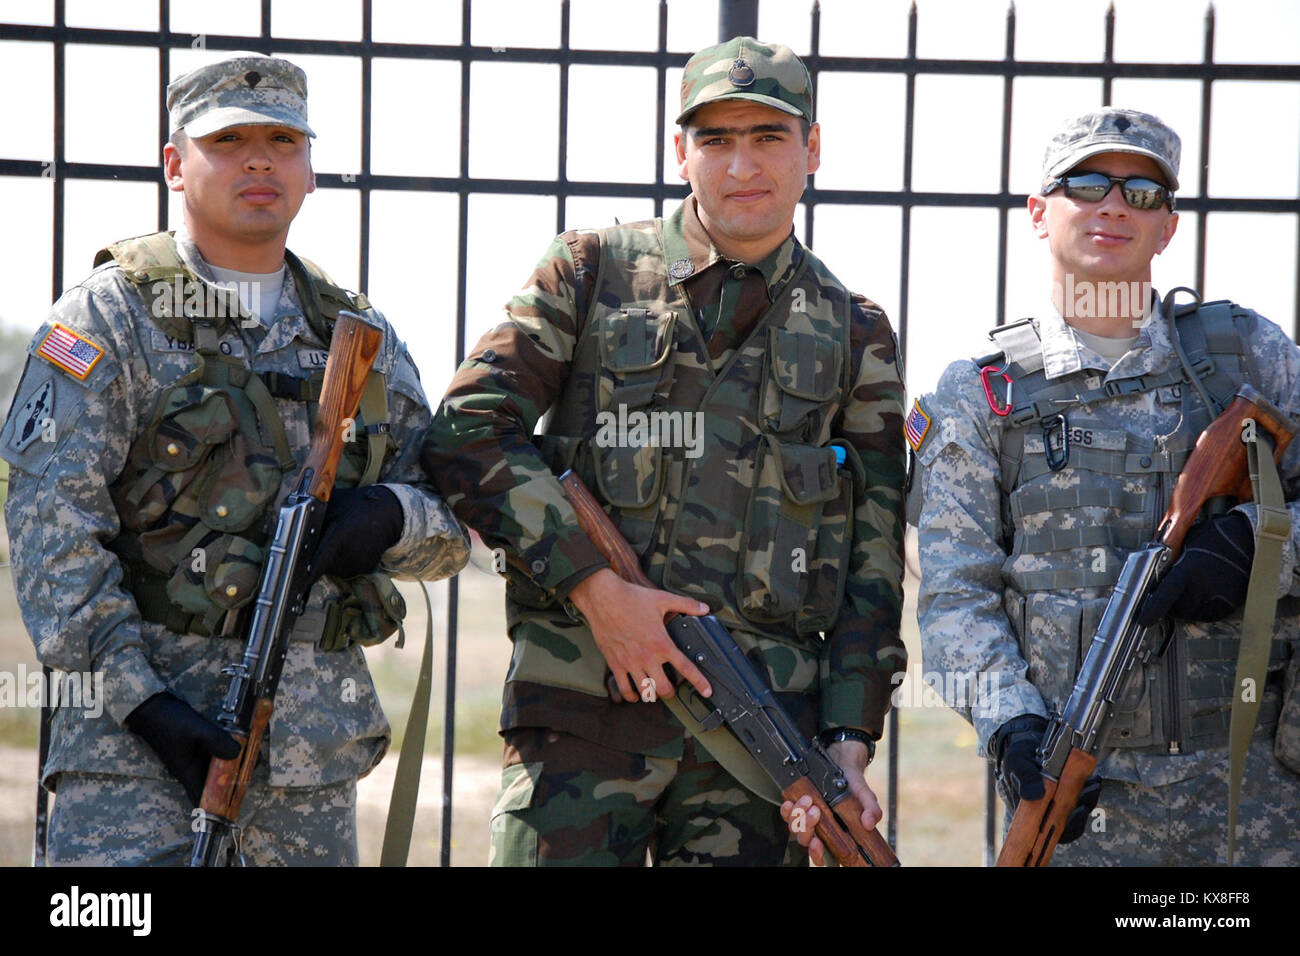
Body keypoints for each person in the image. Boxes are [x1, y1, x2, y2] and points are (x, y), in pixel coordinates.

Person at [422, 36, 906, 866]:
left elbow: (874, 552)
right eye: (715, 139)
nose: (741, 165)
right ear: (678, 149)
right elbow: (469, 429)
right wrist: (598, 590)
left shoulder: (855, 330)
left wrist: (850, 737)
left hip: (761, 747)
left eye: (769, 136)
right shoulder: (589, 271)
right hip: (582, 713)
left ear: (812, 149)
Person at [1, 52, 469, 866]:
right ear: (178, 166)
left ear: (311, 170)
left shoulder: (360, 337)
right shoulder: (108, 321)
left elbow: (454, 520)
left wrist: (393, 519)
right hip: (133, 765)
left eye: (283, 140)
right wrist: (144, 705)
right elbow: (52, 537)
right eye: (230, 141)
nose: (260, 160)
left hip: (304, 768)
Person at [911, 107, 1300, 865]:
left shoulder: (1250, 359)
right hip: (1082, 804)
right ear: (1038, 212)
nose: (1114, 204)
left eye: (1142, 193)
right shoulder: (981, 395)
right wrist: (1010, 724)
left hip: (1252, 803)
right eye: (1086, 185)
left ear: (1169, 227)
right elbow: (957, 597)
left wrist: (1261, 546)